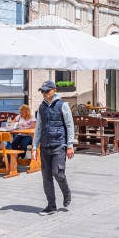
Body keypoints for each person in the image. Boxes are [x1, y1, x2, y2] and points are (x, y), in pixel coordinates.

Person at [32, 80, 75, 215]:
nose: (44, 94)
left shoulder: (63, 105)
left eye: (46, 91)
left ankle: (66, 192)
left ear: (54, 90)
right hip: (45, 145)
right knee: (46, 177)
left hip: (59, 145)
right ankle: (51, 206)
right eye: (42, 91)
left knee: (58, 173)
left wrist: (70, 145)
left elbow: (70, 125)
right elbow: (38, 127)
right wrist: (34, 147)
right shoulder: (41, 107)